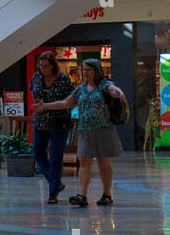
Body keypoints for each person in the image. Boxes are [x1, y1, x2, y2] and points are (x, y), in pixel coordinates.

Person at [37, 58, 125, 207]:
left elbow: (114, 90)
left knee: (103, 163)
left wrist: (119, 92)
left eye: (88, 70)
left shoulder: (105, 85)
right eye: (83, 70)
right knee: (84, 161)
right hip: (85, 130)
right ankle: (81, 195)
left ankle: (107, 195)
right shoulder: (81, 89)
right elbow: (65, 103)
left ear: (96, 70)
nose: (85, 73)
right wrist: (45, 106)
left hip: (103, 129)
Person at [30, 51, 74, 204]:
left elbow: (72, 99)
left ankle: (52, 193)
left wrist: (53, 106)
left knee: (56, 156)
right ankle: (56, 183)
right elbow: (32, 90)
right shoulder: (36, 77)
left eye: (46, 66)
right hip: (40, 121)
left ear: (53, 65)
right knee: (37, 153)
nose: (43, 69)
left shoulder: (63, 79)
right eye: (40, 66)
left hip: (59, 120)